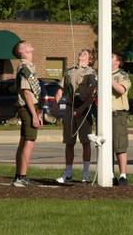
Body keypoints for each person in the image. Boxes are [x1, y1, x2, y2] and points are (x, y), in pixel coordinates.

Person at [55, 49, 97, 184]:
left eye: (85, 53)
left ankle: (85, 173)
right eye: (81, 52)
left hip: (84, 108)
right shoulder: (69, 71)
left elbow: (92, 95)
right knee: (69, 142)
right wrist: (56, 104)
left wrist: (81, 109)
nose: (81, 54)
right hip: (69, 107)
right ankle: (68, 172)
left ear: (90, 59)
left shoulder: (91, 73)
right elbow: (61, 89)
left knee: (85, 141)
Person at [12, 40, 42, 187]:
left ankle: (19, 175)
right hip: (26, 107)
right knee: (29, 142)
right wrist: (34, 115)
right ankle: (21, 177)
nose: (29, 43)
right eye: (25, 44)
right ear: (21, 52)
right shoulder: (25, 67)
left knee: (24, 141)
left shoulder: (28, 66)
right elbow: (26, 92)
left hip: (28, 108)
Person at [111, 52, 132, 185]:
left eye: (111, 57)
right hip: (103, 114)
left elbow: (121, 90)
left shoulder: (122, 75)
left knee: (119, 146)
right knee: (106, 146)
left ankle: (123, 175)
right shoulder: (100, 74)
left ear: (117, 62)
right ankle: (110, 174)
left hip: (117, 114)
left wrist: (109, 79)